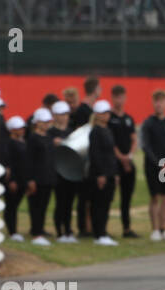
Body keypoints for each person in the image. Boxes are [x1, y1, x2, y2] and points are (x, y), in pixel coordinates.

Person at [141, 89, 165, 242]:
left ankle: (163, 229)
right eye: (157, 101)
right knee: (155, 197)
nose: (159, 104)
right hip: (153, 165)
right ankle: (155, 229)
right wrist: (156, 162)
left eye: (162, 101)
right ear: (153, 103)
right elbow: (146, 146)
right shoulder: (148, 124)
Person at [108, 85, 139, 238]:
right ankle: (102, 228)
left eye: (122, 97)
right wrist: (120, 157)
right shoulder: (109, 119)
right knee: (109, 196)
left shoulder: (128, 119)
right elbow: (109, 142)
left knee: (126, 197)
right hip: (113, 163)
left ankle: (127, 228)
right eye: (116, 97)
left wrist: (129, 156)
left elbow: (134, 139)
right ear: (112, 98)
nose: (119, 100)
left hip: (128, 161)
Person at [87, 99, 119, 246]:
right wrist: (100, 174)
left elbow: (111, 154)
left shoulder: (108, 130)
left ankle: (103, 231)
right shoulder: (95, 132)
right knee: (99, 204)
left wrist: (115, 173)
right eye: (104, 112)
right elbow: (95, 154)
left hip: (110, 172)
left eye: (107, 112)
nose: (107, 115)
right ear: (98, 115)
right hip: (100, 174)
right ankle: (99, 233)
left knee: (106, 204)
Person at [25, 107, 57, 246]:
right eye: (43, 122)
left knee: (44, 205)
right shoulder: (33, 138)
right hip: (37, 178)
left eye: (47, 121)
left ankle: (40, 229)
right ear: (37, 122)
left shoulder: (49, 137)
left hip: (47, 177)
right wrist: (30, 179)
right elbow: (29, 160)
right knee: (35, 206)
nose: (45, 124)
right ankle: (36, 232)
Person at [73, 78, 99, 237]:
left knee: (91, 196)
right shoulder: (83, 111)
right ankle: (83, 227)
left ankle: (90, 226)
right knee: (83, 196)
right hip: (84, 159)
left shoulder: (91, 109)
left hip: (93, 158)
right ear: (95, 89)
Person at [49, 101, 77, 243]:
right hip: (57, 172)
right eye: (61, 114)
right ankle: (60, 232)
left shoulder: (71, 131)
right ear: (55, 116)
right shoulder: (51, 132)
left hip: (70, 171)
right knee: (60, 202)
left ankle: (68, 230)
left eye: (66, 114)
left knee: (69, 203)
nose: (64, 117)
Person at [3, 116, 29, 242]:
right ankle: (12, 231)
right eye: (19, 128)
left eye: (23, 128)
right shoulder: (9, 144)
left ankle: (14, 230)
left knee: (15, 205)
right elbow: (10, 162)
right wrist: (12, 180)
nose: (22, 130)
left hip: (23, 178)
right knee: (11, 206)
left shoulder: (23, 142)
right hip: (14, 180)